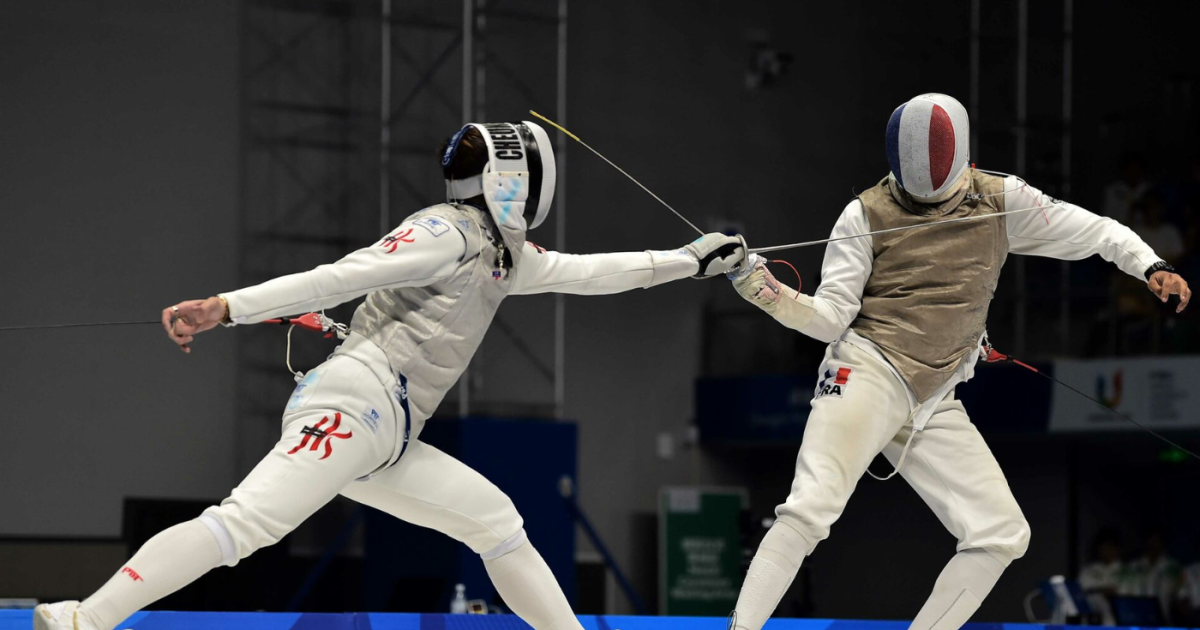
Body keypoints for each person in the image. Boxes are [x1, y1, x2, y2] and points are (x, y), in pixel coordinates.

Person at [34, 121, 747, 630]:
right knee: (243, 525)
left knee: (498, 523)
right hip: (354, 407)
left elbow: (595, 274)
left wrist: (693, 258)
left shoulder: (501, 254)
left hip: (387, 429)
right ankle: (83, 619)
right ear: (517, 185)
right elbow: (342, 277)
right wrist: (227, 308)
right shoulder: (444, 230)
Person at [725, 93, 1191, 630]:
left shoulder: (1002, 199)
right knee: (809, 509)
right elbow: (831, 319)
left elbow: (1094, 232)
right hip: (868, 372)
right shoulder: (864, 213)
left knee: (1001, 533)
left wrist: (1148, 265)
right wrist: (764, 289)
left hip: (933, 394)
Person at [1079, 529, 1127, 625]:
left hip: (1115, 624)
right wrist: (1100, 590)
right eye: (1103, 546)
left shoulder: (1127, 572)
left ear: (1117, 548)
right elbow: (1080, 592)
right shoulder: (1087, 571)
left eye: (1110, 546)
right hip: (1089, 623)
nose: (1106, 550)